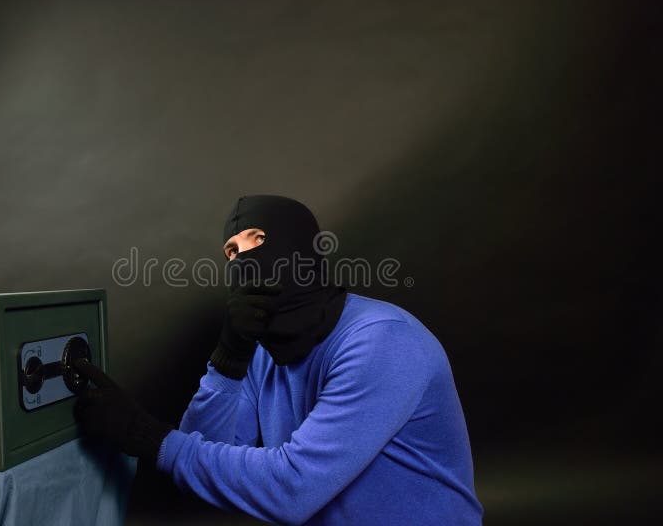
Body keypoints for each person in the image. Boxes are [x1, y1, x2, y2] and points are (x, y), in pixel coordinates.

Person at [73, 194, 484, 525]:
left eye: (257, 239)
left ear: (302, 249)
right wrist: (229, 358)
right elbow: (206, 456)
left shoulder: (384, 341)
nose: (242, 260)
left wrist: (145, 436)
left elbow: (293, 488)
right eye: (231, 253)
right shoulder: (261, 352)